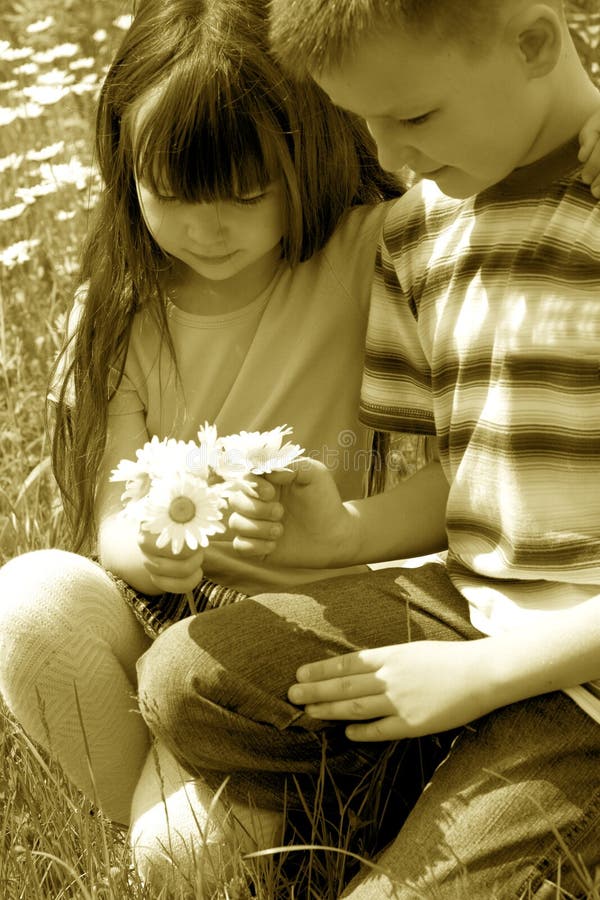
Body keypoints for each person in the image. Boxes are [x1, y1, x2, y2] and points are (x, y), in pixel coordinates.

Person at [134, 1, 600, 897]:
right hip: (473, 608)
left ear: (535, 42)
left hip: (581, 681)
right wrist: (344, 536)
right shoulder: (418, 233)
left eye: (416, 117)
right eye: (364, 122)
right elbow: (473, 475)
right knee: (189, 677)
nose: (389, 157)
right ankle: (440, 780)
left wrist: (486, 676)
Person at [0, 0, 403, 868]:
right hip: (167, 609)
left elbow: (497, 168)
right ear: (125, 167)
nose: (207, 229)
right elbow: (112, 508)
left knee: (180, 860)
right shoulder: (117, 312)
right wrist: (146, 548)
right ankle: (168, 823)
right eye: (172, 196)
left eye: (248, 195)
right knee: (27, 600)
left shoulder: (371, 251)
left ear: (316, 146)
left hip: (306, 639)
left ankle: (190, 841)